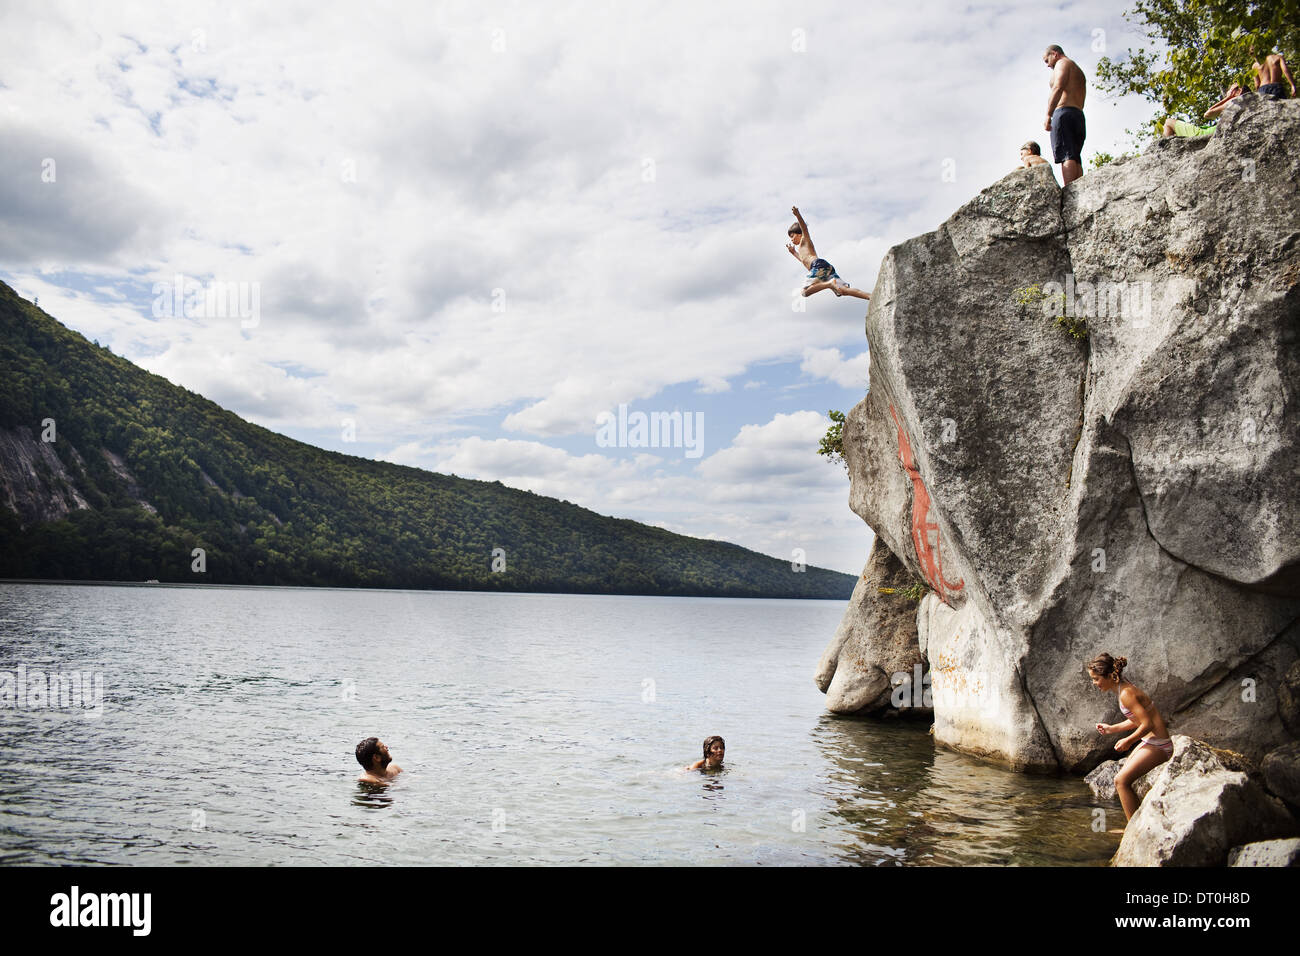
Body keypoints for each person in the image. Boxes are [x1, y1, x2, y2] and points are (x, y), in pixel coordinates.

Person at [1087, 654, 1172, 822]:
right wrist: (1112, 729)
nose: (1094, 683)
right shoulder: (1123, 689)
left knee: (1121, 781)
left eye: (1096, 679)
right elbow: (1137, 720)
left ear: (1109, 676)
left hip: (1159, 744)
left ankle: (1132, 829)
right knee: (1122, 778)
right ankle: (1137, 822)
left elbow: (1147, 724)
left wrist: (1128, 741)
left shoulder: (1126, 694)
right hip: (1151, 742)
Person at [787, 206, 872, 301]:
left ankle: (829, 284)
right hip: (824, 267)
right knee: (842, 290)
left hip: (818, 266)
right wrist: (794, 252)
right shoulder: (801, 249)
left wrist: (798, 215)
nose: (791, 239)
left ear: (799, 234)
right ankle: (870, 296)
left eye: (792, 236)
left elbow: (804, 228)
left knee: (804, 292)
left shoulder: (805, 240)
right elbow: (805, 262)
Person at [1042, 45, 1087, 185]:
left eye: (1046, 60)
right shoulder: (1078, 70)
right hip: (1078, 113)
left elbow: (1058, 87)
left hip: (1063, 113)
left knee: (1066, 154)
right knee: (1075, 156)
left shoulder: (1062, 63)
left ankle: (1070, 192)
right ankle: (1080, 188)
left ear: (1054, 54)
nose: (1048, 65)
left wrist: (1048, 115)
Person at [1160, 84, 1244, 138]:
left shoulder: (1235, 103)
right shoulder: (1248, 105)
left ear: (1238, 92)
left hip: (1205, 133)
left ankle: (1165, 150)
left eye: (1231, 89)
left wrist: (1228, 98)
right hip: (1213, 130)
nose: (1228, 91)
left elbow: (1208, 114)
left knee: (1168, 122)